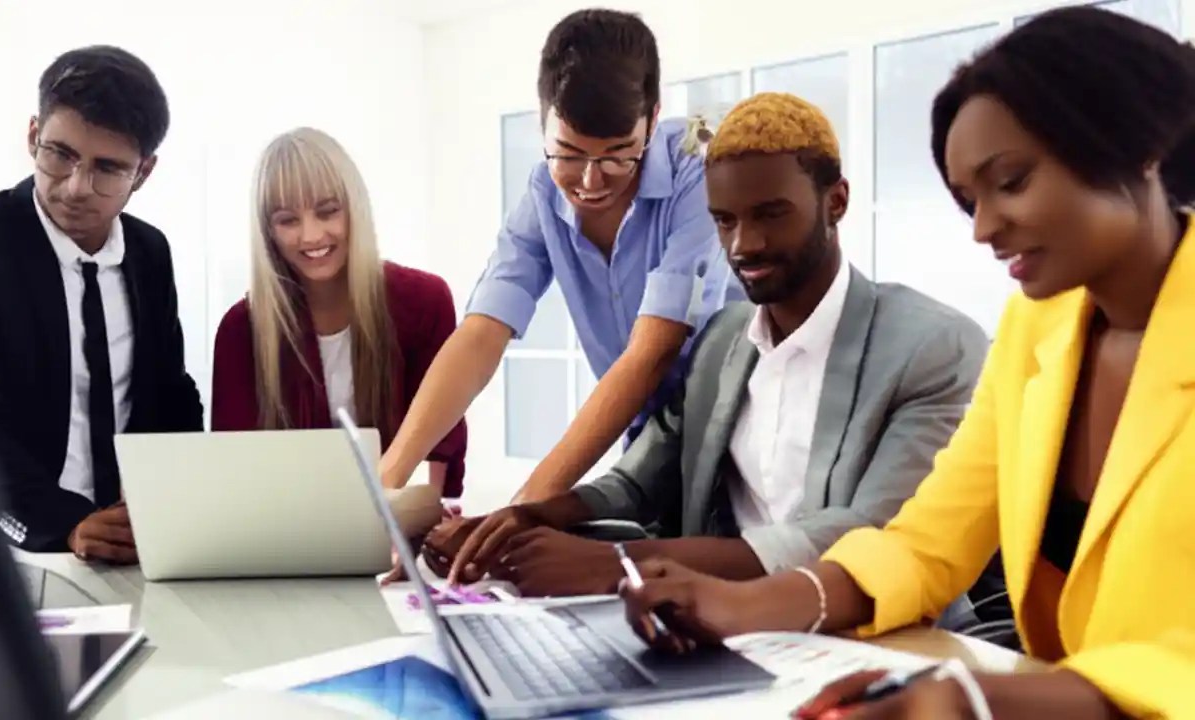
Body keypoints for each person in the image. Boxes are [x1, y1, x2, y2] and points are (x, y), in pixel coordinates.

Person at [619, 7, 1195, 718]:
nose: (984, 228)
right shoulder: (1037, 329)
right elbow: (929, 541)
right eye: (969, 200)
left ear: (1139, 146)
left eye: (1011, 181)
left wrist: (978, 700)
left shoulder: (939, 340)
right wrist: (749, 603)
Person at [421, 93, 990, 596]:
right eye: (724, 221)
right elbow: (638, 482)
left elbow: (866, 534)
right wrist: (527, 518)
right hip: (723, 630)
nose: (743, 245)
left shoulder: (933, 346)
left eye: (770, 216)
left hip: (888, 644)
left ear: (835, 203)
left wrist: (622, 564)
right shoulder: (721, 340)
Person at [378, 9, 734, 505]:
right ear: (541, 120)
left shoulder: (698, 170)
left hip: (735, 438)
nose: (590, 182)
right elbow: (481, 335)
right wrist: (387, 479)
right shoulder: (542, 194)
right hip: (643, 448)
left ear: (652, 119)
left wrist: (524, 506)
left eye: (617, 154)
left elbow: (652, 353)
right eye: (567, 153)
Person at [0, 46, 203, 562]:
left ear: (144, 172)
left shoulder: (149, 252)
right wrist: (66, 525)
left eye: (108, 169)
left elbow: (170, 396)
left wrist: (168, 504)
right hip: (9, 547)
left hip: (133, 546)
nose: (76, 187)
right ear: (32, 135)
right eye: (60, 154)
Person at [210, 128, 467, 496]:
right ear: (267, 231)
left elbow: (436, 448)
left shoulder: (423, 301)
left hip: (399, 521)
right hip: (284, 533)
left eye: (328, 212)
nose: (311, 236)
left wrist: (405, 532)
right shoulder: (242, 329)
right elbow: (235, 468)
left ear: (354, 208)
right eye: (288, 220)